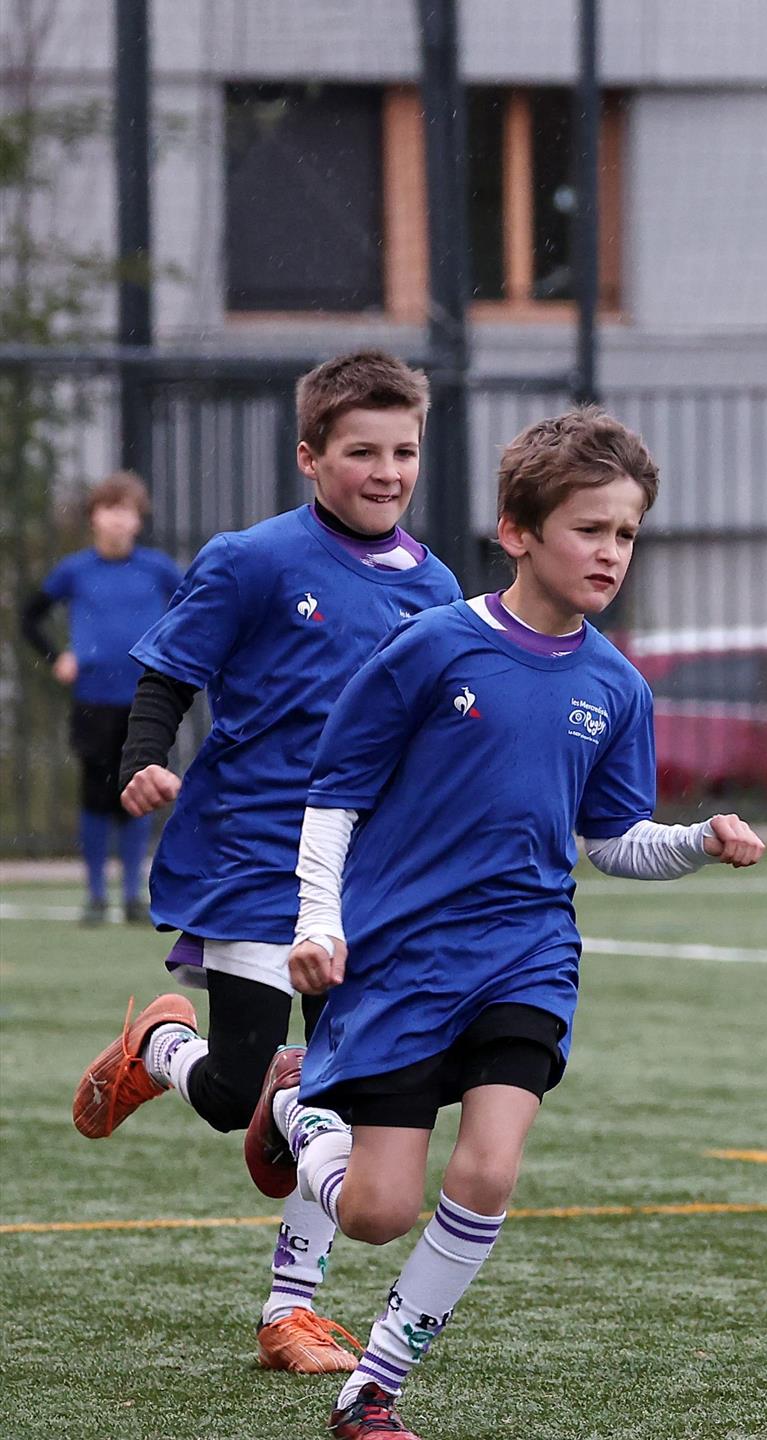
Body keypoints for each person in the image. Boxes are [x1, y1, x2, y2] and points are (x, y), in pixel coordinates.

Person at [266, 407, 766, 1440]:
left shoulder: (619, 687)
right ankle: (296, 1115)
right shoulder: (433, 645)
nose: (611, 553)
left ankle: (375, 1391)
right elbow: (337, 792)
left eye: (626, 534)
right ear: (519, 532)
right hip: (399, 962)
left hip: (527, 957)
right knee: (376, 1213)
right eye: (591, 529)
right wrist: (319, 923)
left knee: (490, 1170)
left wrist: (696, 841)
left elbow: (611, 838)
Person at [71, 351, 461, 1375]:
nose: (386, 470)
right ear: (310, 456)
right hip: (251, 853)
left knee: (350, 1089)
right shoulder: (251, 559)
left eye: (405, 451)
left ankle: (290, 1312)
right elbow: (168, 670)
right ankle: (163, 1048)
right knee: (231, 1087)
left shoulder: (437, 586)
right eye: (361, 451)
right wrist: (143, 761)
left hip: (364, 872)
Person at [19, 472, 181, 923]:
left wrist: (173, 660)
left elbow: (193, 610)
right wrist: (57, 657)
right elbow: (31, 617)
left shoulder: (158, 569)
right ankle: (95, 895)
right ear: (94, 518)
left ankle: (133, 894)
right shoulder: (75, 570)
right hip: (93, 698)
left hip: (146, 699)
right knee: (96, 792)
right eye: (109, 510)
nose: (117, 520)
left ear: (138, 520)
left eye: (126, 511)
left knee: (138, 791)